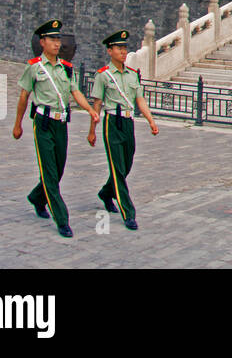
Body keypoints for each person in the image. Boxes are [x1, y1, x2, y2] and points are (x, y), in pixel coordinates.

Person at [12, 20, 99, 238]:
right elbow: (24, 97)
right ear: (42, 42)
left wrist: (90, 110)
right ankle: (62, 219)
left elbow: (75, 92)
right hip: (42, 122)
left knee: (58, 169)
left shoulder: (66, 69)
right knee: (49, 171)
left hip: (61, 124)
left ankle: (36, 197)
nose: (56, 43)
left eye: (58, 39)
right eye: (52, 39)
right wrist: (17, 124)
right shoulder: (34, 67)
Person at [87, 30, 158, 230]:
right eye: (119, 48)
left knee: (126, 165)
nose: (123, 51)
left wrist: (151, 120)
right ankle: (129, 212)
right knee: (117, 168)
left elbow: (139, 100)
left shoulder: (132, 75)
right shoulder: (103, 76)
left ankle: (106, 193)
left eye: (125, 48)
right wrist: (92, 130)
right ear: (110, 51)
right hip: (112, 123)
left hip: (128, 123)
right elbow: (97, 105)